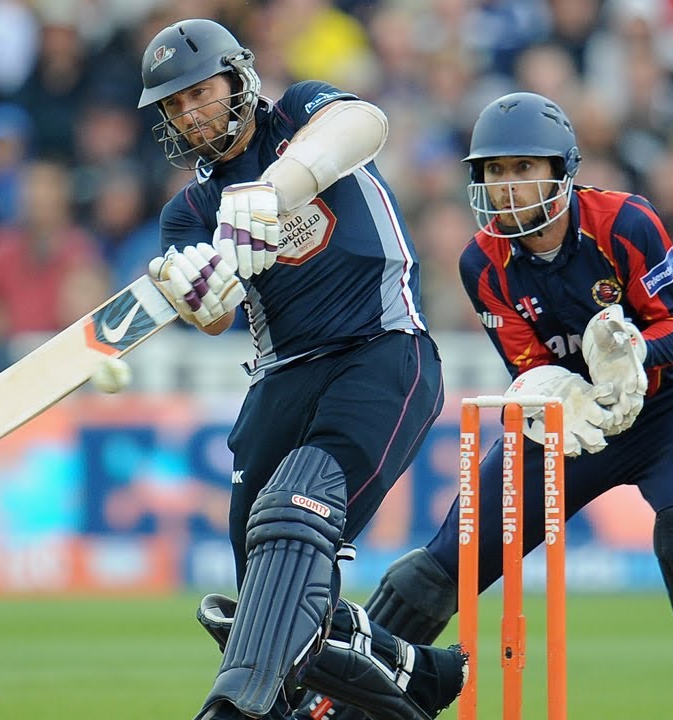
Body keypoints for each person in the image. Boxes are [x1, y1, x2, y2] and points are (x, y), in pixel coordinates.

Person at [299, 92, 673, 719]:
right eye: (495, 171)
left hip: (671, 408)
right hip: (572, 425)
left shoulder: (625, 223)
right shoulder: (483, 262)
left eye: (524, 167)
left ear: (562, 170)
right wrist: (557, 389)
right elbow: (529, 367)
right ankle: (333, 708)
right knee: (436, 570)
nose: (509, 186)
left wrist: (633, 348)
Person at [133, 18, 466, 720]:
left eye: (201, 91)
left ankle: (230, 711)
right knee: (264, 606)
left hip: (383, 351)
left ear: (237, 77)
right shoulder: (189, 212)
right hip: (281, 381)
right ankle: (417, 676)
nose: (191, 112)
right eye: (175, 104)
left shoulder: (301, 114)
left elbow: (364, 124)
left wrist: (273, 191)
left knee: (293, 513)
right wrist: (197, 285)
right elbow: (216, 315)